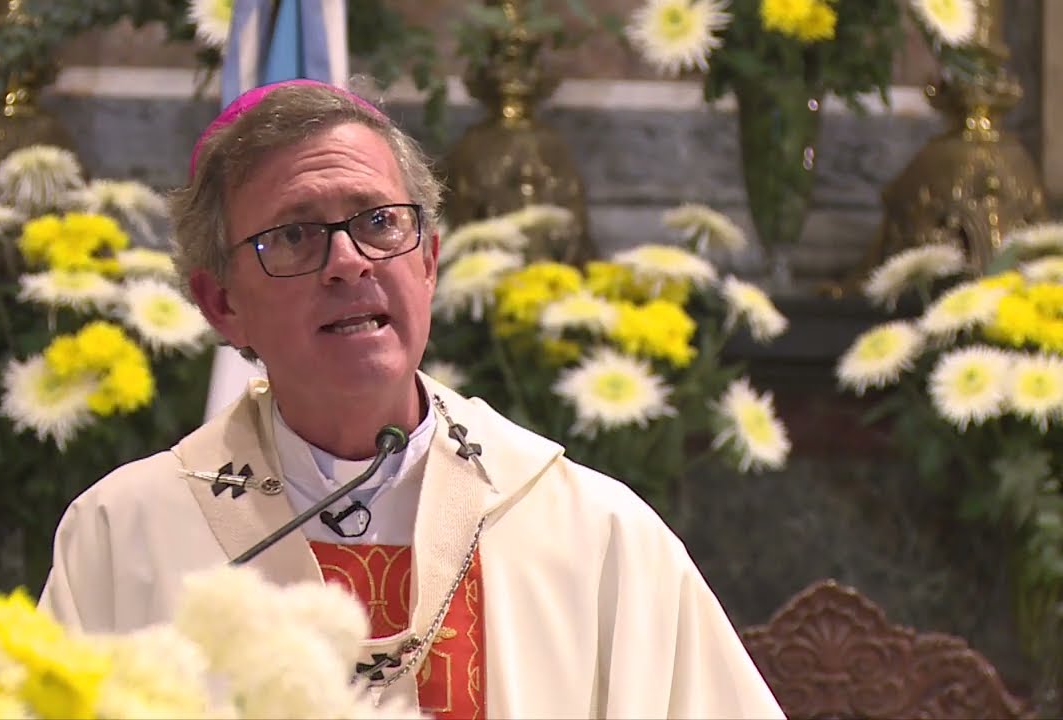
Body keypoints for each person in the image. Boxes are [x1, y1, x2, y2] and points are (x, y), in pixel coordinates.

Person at [39, 78, 785, 720]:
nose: (347, 262)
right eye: (295, 235)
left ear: (427, 261)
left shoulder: (596, 536)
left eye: (378, 223)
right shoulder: (124, 537)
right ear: (221, 304)